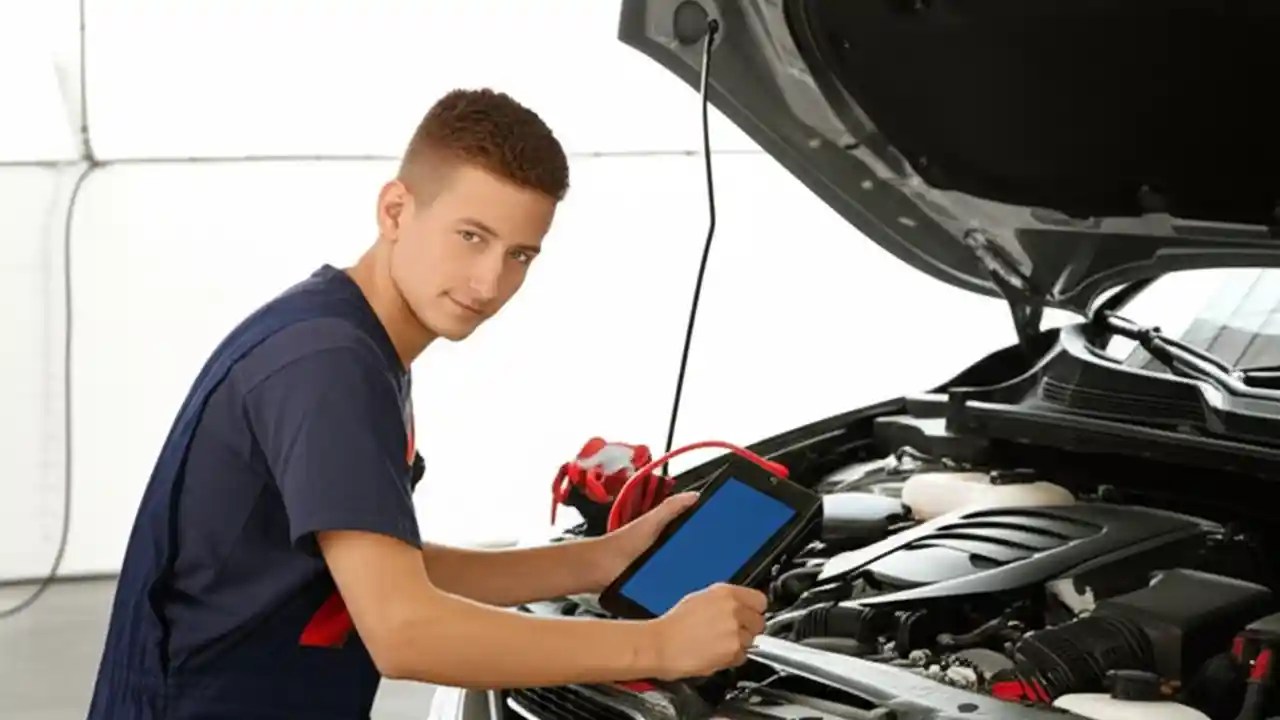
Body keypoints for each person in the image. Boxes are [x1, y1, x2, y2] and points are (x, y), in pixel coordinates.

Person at [86, 88, 767, 719]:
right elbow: (404, 630)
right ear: (395, 210)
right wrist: (660, 646)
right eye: (471, 236)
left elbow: (377, 564)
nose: (490, 281)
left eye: (521, 255)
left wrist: (595, 562)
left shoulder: (346, 337)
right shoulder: (328, 365)